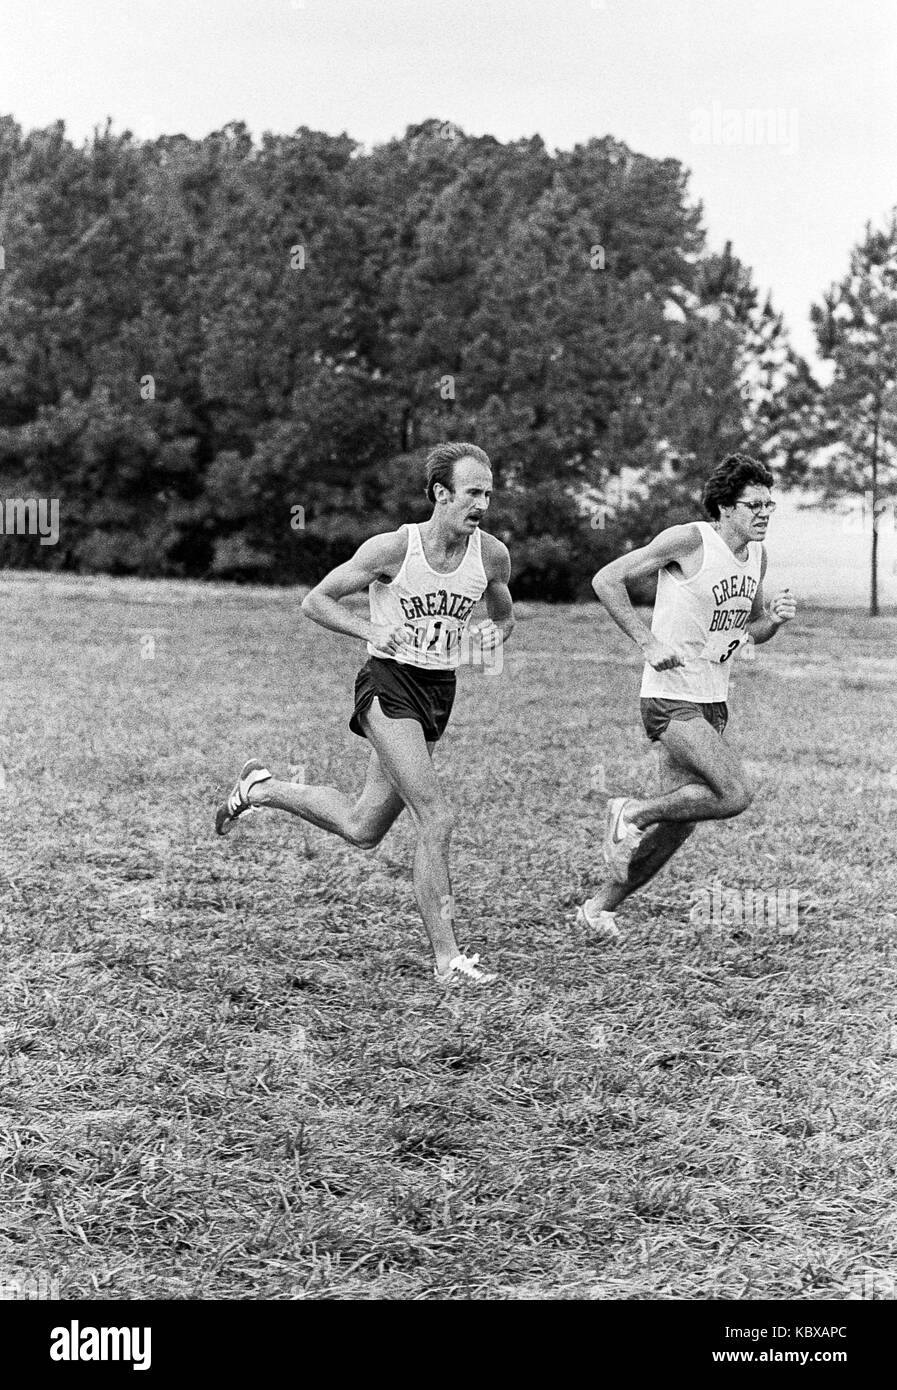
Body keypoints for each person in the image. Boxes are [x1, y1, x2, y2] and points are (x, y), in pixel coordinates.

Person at [216, 442, 514, 986]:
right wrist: (371, 629)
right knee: (437, 816)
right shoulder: (393, 549)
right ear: (441, 495)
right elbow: (317, 600)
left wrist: (482, 642)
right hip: (386, 684)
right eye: (473, 493)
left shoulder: (491, 555)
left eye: (489, 494)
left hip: (436, 693)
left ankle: (260, 788)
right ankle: (448, 959)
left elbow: (503, 617)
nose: (483, 504)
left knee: (363, 827)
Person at [577, 453, 796, 939]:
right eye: (753, 505)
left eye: (769, 505)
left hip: (713, 700)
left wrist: (774, 620)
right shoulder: (690, 539)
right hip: (668, 697)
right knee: (733, 793)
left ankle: (598, 909)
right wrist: (647, 642)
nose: (763, 514)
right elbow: (606, 579)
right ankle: (631, 812)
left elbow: (749, 631)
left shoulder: (757, 556)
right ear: (723, 507)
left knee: (681, 820)